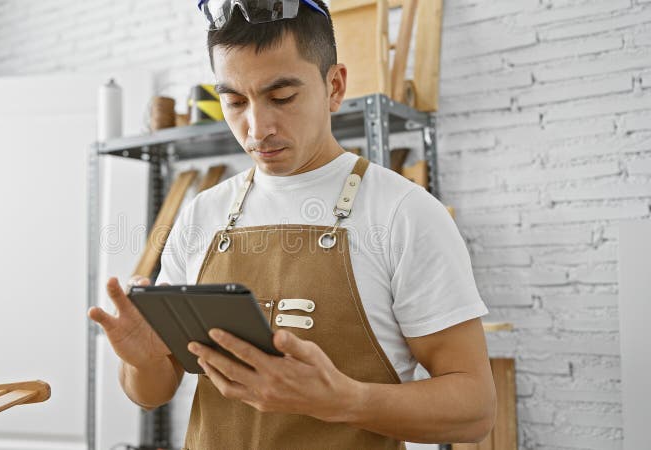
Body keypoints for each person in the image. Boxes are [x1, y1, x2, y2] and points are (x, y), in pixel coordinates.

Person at [88, 0, 496, 448]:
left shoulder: (404, 213)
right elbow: (152, 393)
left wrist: (346, 401)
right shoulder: (203, 213)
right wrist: (143, 362)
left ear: (334, 86)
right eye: (235, 101)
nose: (257, 129)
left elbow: (474, 410)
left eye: (282, 97)